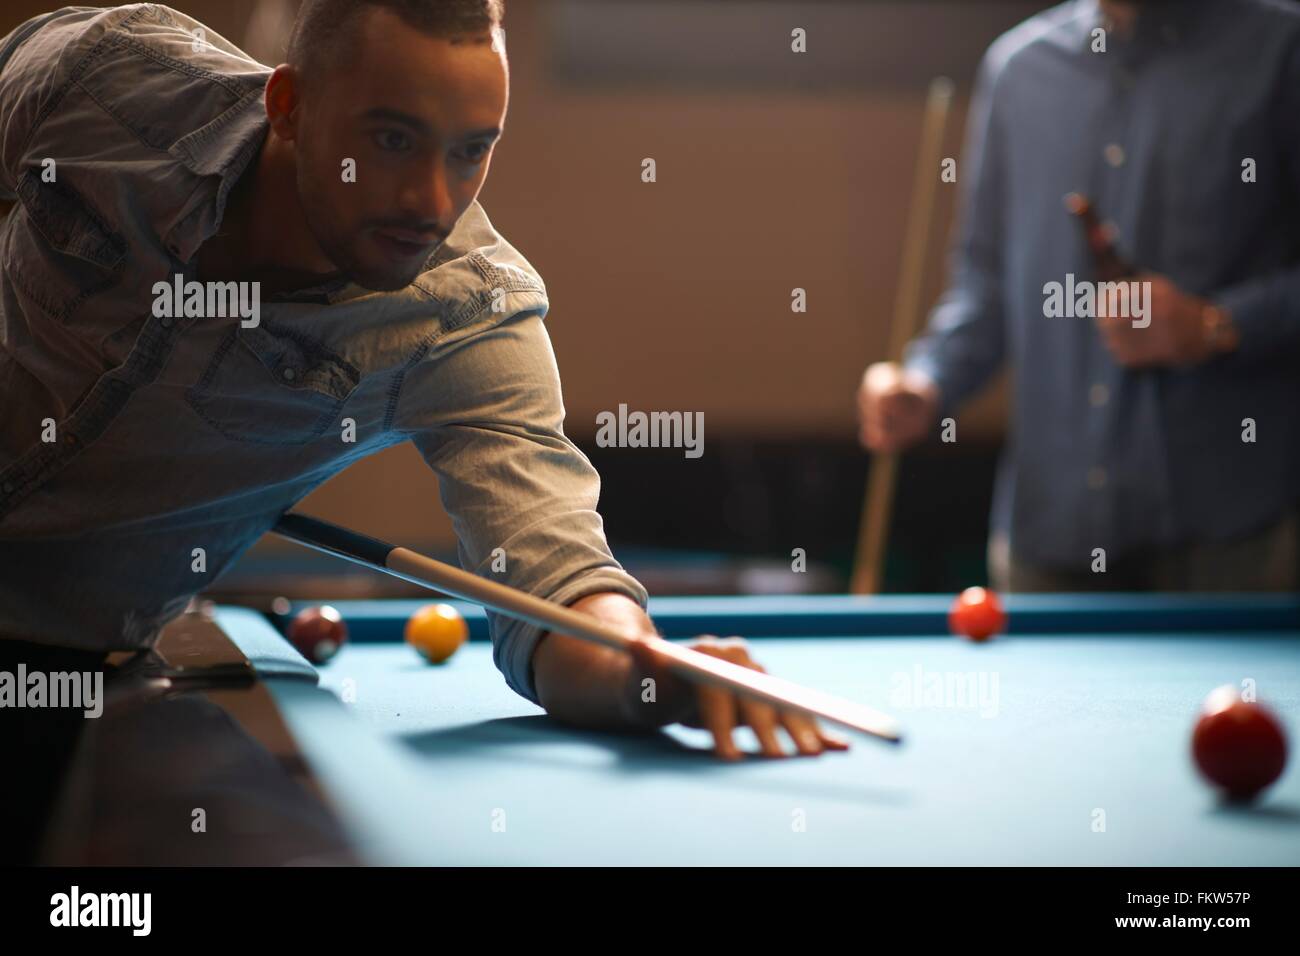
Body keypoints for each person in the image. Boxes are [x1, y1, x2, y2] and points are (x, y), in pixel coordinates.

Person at [0, 1, 846, 862]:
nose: (431, 201)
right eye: (393, 141)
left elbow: (556, 586)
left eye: (472, 150)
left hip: (57, 667)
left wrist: (644, 672)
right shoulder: (105, 78)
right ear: (288, 107)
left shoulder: (468, 320)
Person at [857, 0, 1300, 593]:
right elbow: (986, 285)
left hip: (1230, 537)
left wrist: (1217, 325)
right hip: (1050, 532)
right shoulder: (1019, 70)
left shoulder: (1281, 49)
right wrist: (926, 380)